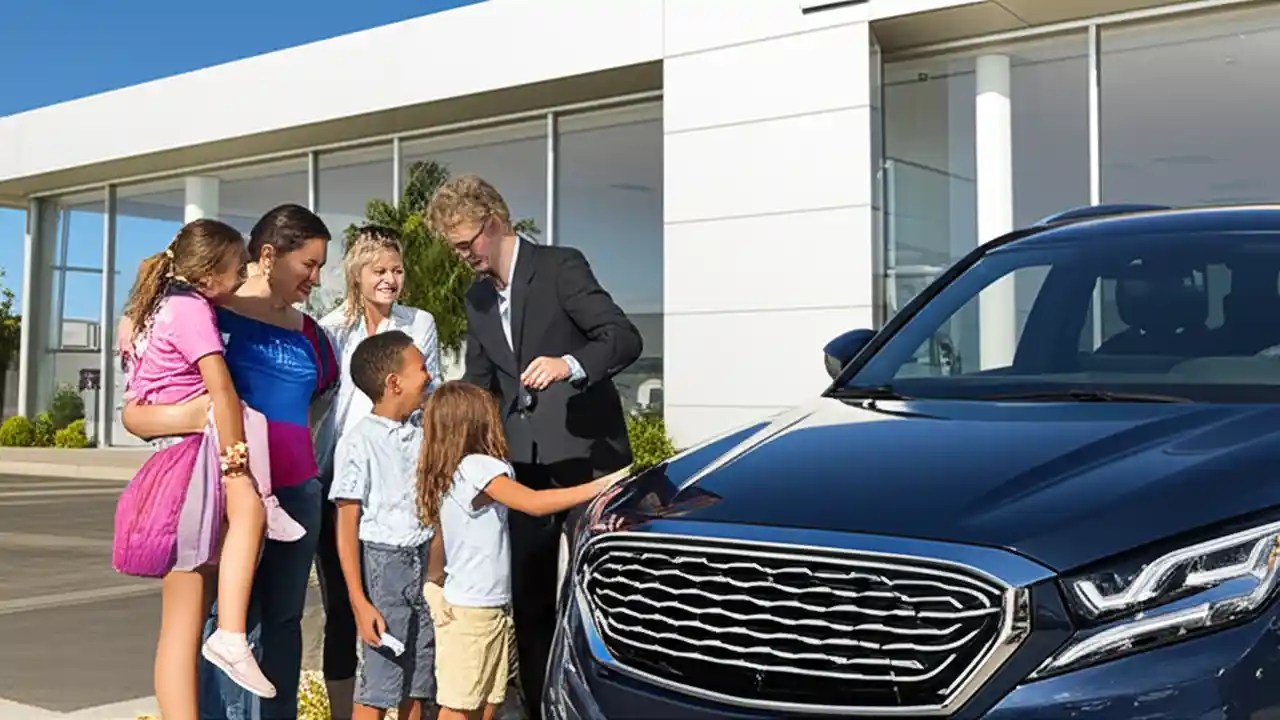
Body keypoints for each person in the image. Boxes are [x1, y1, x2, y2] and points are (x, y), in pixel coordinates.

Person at [426, 175, 642, 717]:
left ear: (494, 222)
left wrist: (569, 366)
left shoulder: (560, 266)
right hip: (520, 467)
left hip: (589, 456)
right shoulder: (476, 297)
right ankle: (542, 706)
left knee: (600, 593)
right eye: (453, 246)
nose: (461, 256)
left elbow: (622, 336)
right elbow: (480, 384)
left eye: (465, 242)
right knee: (530, 595)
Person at [122, 203, 339, 720]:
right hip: (225, 491)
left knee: (285, 622)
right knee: (225, 622)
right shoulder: (209, 309)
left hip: (296, 494)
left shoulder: (313, 335)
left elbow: (317, 406)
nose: (315, 277)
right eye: (308, 265)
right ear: (269, 256)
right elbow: (139, 411)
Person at [416, 381, 616, 720]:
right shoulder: (478, 467)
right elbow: (535, 503)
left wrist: (432, 583)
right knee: (460, 707)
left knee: (485, 702)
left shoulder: (450, 472)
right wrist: (601, 486)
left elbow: (440, 539)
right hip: (475, 614)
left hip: (480, 608)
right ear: (476, 422)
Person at [316, 224, 443, 716]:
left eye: (397, 270)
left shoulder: (419, 324)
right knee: (345, 613)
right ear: (357, 274)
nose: (390, 279)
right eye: (379, 270)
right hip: (344, 477)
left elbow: (426, 396)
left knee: (410, 614)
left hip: (402, 483)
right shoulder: (332, 329)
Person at [329, 330, 440, 720]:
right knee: (380, 678)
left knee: (420, 676)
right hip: (385, 567)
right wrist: (359, 601)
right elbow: (346, 526)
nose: (429, 376)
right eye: (422, 368)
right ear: (394, 383)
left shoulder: (423, 433)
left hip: (423, 562)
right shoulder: (359, 441)